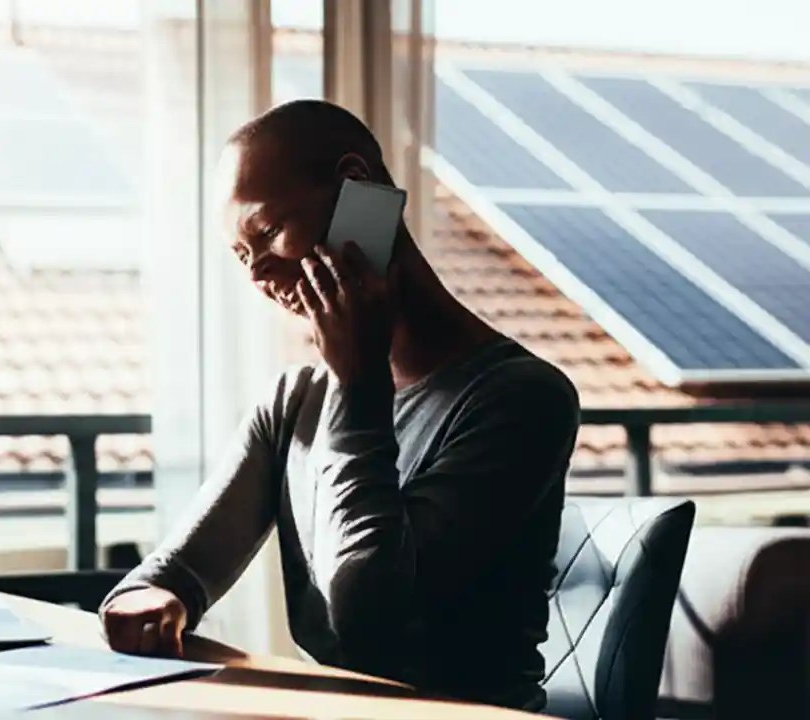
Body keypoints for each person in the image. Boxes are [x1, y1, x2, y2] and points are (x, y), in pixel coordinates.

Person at [99, 99, 580, 712]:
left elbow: (368, 623)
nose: (258, 272)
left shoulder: (521, 398)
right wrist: (147, 599)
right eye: (242, 256)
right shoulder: (294, 403)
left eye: (267, 232)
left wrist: (359, 385)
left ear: (357, 189)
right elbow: (173, 573)